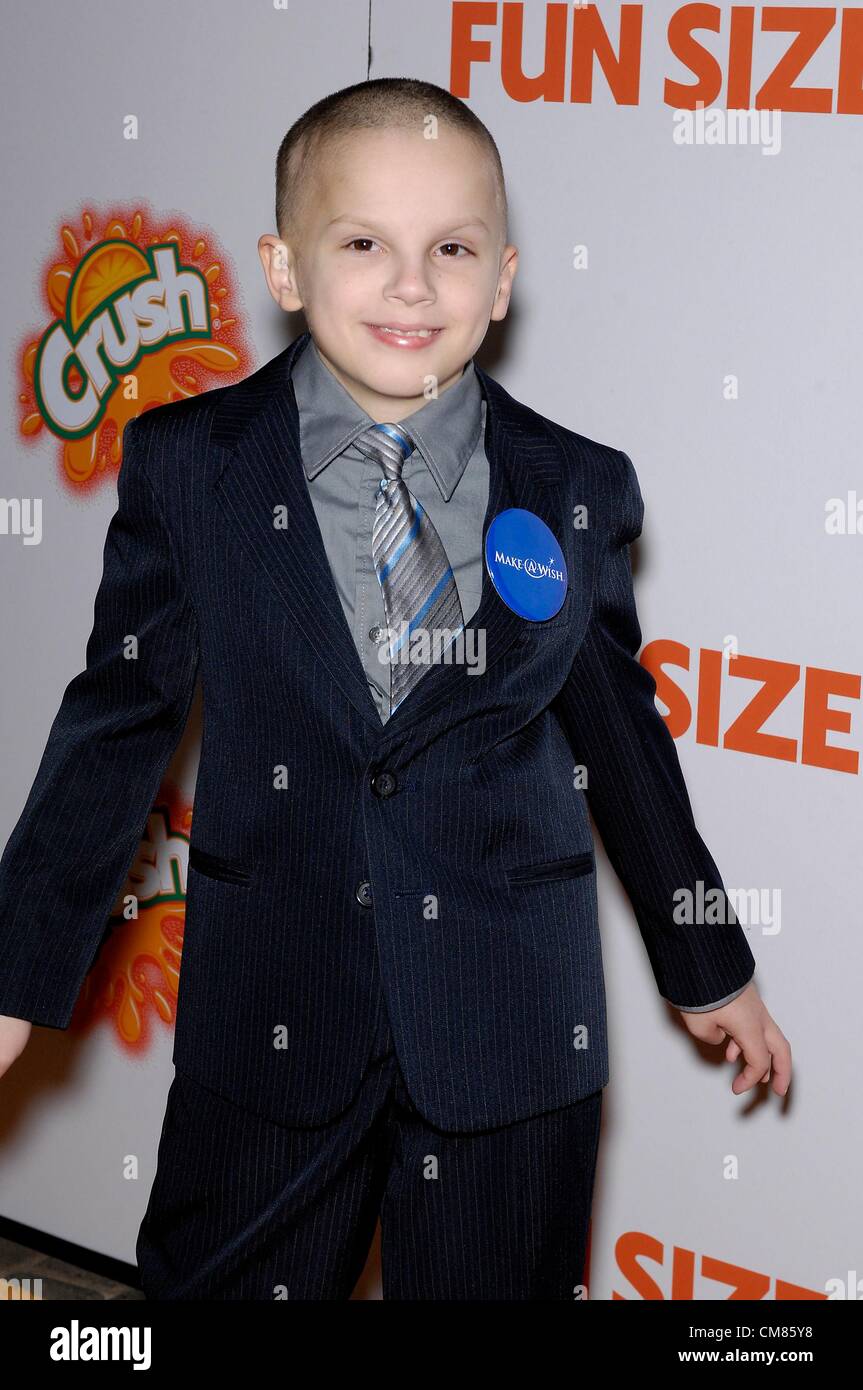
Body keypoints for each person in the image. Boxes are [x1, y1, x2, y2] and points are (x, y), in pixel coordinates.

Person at [0, 77, 791, 1300]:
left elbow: (623, 745)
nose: (412, 285)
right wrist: (14, 975)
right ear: (284, 266)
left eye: (452, 249)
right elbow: (116, 725)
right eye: (362, 243)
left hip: (511, 1039)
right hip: (268, 1021)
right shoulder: (194, 470)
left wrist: (711, 966)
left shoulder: (571, 486)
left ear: (504, 278)